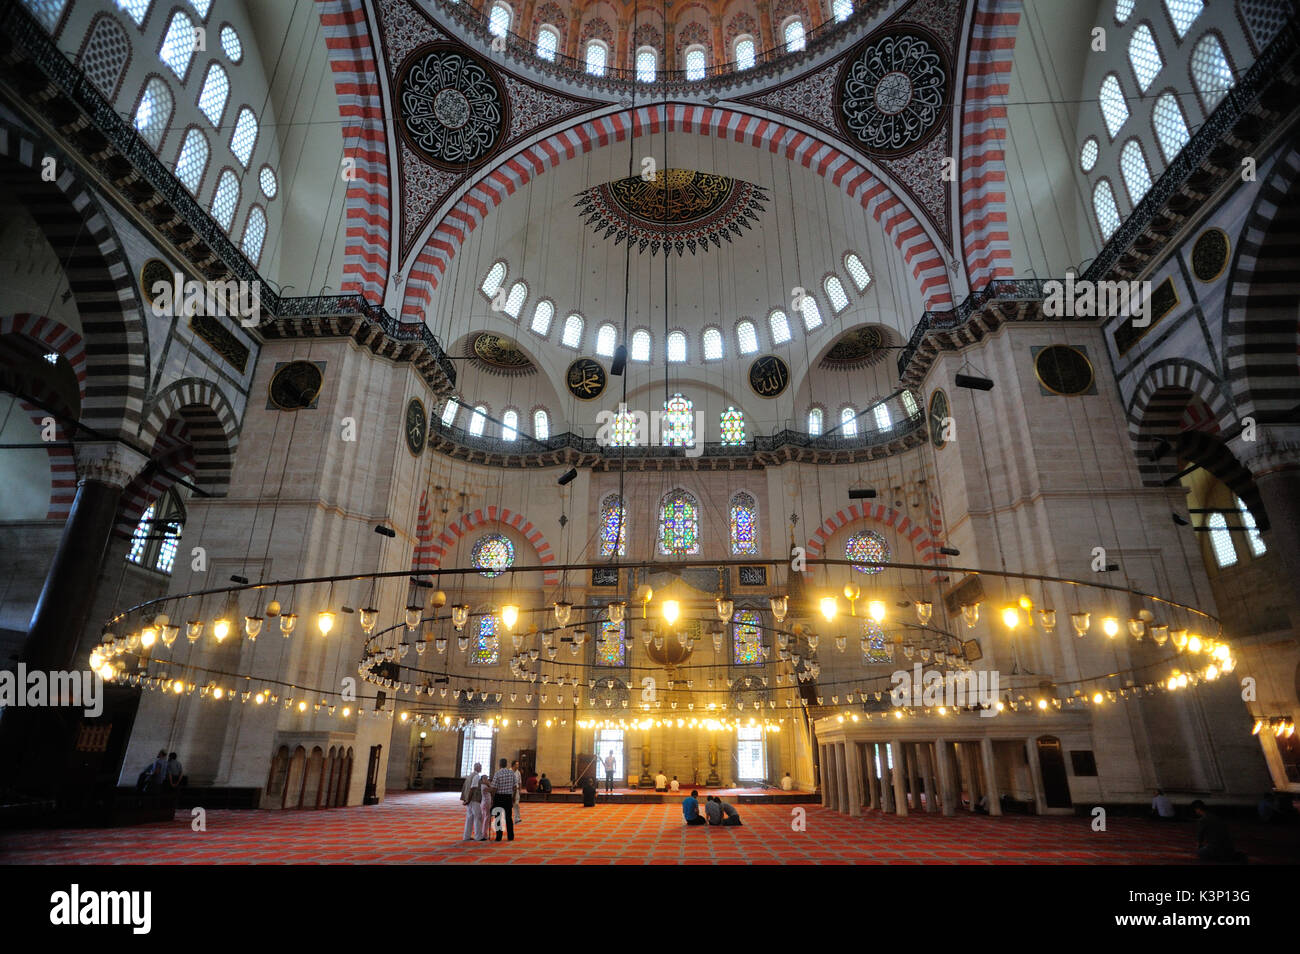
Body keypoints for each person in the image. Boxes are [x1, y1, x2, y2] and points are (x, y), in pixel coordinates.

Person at [490, 758, 516, 841]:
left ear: (500, 764)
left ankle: (499, 837)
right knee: (508, 817)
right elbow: (515, 787)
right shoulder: (511, 773)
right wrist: (513, 796)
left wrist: (492, 798)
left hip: (499, 797)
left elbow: (494, 788)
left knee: (498, 818)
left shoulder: (497, 773)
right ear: (506, 764)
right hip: (508, 797)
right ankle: (510, 837)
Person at [461, 762, 484, 841]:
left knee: (469, 818)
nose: (481, 768)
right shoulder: (476, 776)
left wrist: (466, 799)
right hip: (474, 800)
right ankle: (478, 836)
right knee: (478, 817)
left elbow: (464, 788)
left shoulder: (469, 776)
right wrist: (469, 799)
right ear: (477, 768)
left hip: (469, 800)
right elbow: (473, 788)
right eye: (480, 767)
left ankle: (466, 836)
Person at [478, 771, 494, 840]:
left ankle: (483, 833)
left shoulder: (484, 785)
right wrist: (489, 784)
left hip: (486, 803)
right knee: (486, 818)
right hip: (485, 803)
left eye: (486, 778)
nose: (486, 779)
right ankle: (484, 834)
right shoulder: (483, 786)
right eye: (484, 778)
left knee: (485, 818)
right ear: (482, 780)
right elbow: (492, 790)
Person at [512, 760, 523, 824]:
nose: (518, 766)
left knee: (516, 804)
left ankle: (517, 818)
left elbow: (520, 782)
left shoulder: (518, 772)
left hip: (517, 790)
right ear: (513, 765)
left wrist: (520, 790)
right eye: (517, 764)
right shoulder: (509, 771)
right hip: (510, 790)